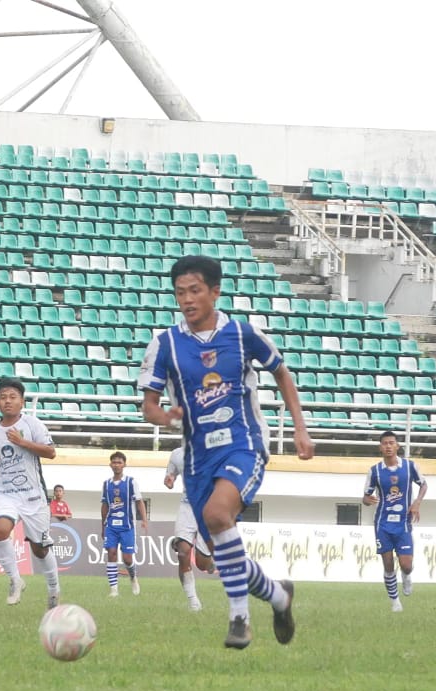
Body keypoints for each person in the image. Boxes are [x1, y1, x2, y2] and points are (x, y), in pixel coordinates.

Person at [138, 254, 315, 649]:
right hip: (197, 460)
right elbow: (148, 405)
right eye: (180, 292)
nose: (187, 299)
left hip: (243, 444)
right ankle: (278, 595)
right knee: (223, 550)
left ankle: (239, 620)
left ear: (215, 292)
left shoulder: (242, 334)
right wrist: (165, 417)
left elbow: (281, 372)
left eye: (195, 291)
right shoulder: (164, 343)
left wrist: (300, 430)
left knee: (219, 515)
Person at [0, 377, 62, 608]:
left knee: (39, 548)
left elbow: (50, 452)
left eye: (12, 397)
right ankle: (15, 580)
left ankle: (53, 588)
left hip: (33, 495)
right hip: (5, 492)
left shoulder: (32, 425)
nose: (7, 401)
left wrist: (23, 442)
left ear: (21, 402)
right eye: (3, 397)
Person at [362, 430, 427, 612]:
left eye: (392, 443)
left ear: (397, 446)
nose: (388, 446)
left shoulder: (409, 466)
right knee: (388, 564)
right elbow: (365, 497)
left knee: (406, 565)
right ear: (380, 447)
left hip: (403, 523)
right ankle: (395, 602)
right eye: (385, 443)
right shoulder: (374, 471)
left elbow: (424, 484)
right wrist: (368, 500)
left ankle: (407, 576)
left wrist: (417, 503)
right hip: (382, 523)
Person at [164, 445, 213, 612]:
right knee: (183, 552)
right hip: (187, 507)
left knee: (202, 563)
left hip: (208, 507)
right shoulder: (177, 454)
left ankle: (210, 563)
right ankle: (193, 601)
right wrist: (169, 479)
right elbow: (170, 475)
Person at [100, 451, 148, 597]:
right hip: (111, 526)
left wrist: (144, 520)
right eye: (114, 462)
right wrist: (103, 525)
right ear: (110, 465)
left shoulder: (130, 482)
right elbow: (104, 505)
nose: (116, 465)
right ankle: (114, 590)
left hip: (127, 526)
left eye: (119, 462)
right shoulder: (106, 484)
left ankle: (133, 577)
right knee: (112, 553)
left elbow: (139, 502)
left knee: (127, 558)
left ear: (124, 464)